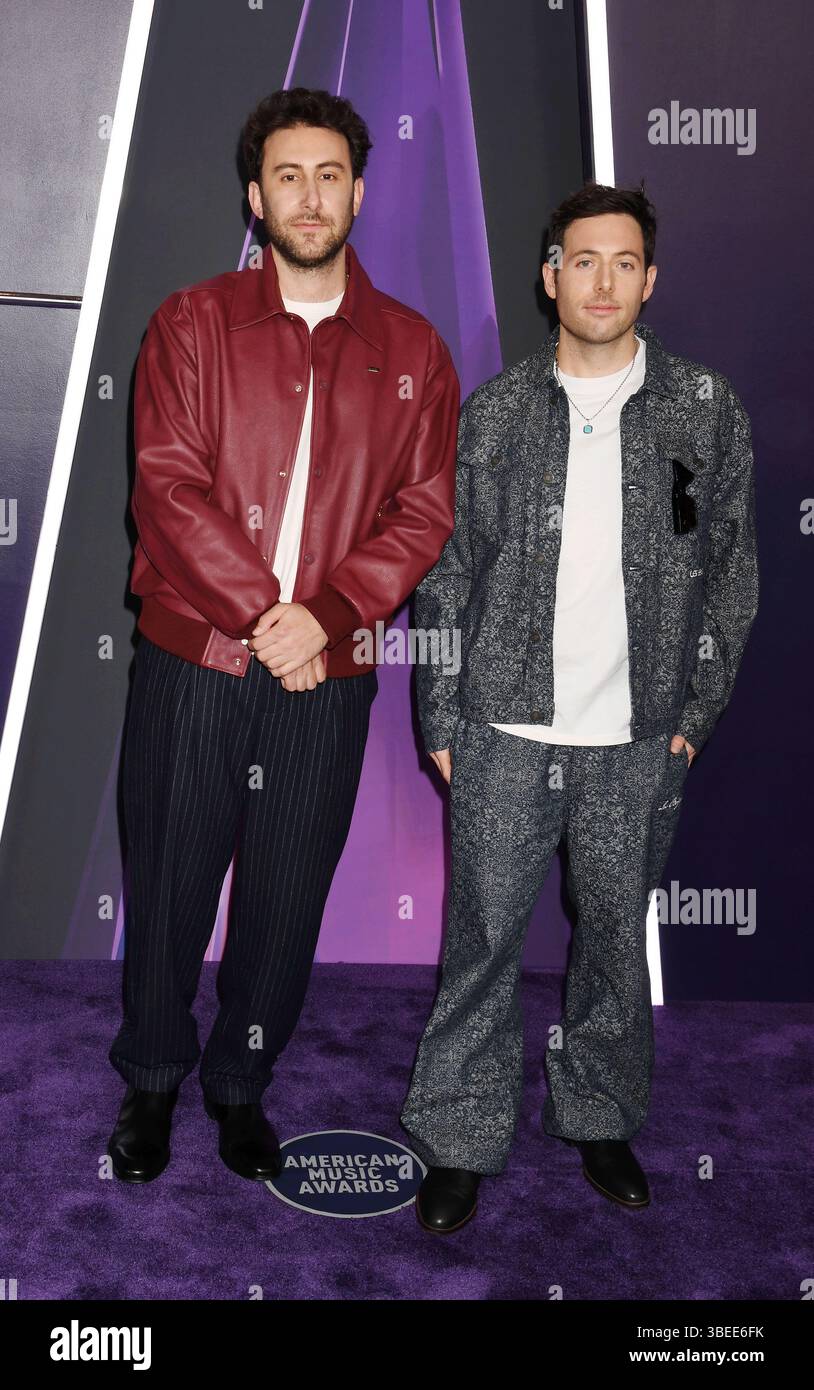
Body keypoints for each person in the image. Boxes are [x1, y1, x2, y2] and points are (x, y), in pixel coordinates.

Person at [107, 87, 459, 1184]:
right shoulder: (191, 323)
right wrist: (274, 621)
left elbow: (424, 512)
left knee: (285, 894)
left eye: (329, 175)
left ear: (359, 191)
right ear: (255, 198)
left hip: (330, 674)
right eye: (288, 176)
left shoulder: (414, 349)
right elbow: (166, 491)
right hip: (196, 661)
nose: (310, 196)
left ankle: (239, 1084)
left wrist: (330, 618)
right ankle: (152, 1081)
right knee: (169, 883)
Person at [400, 181, 759, 1233]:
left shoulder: (704, 410)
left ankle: (599, 1114)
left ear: (650, 280)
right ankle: (459, 1135)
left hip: (638, 738)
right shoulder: (496, 413)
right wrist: (440, 717)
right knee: (479, 942)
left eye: (624, 262)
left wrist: (691, 718)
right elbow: (447, 577)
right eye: (582, 260)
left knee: (612, 940)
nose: (603, 281)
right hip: (503, 731)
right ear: (549, 277)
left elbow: (732, 576)